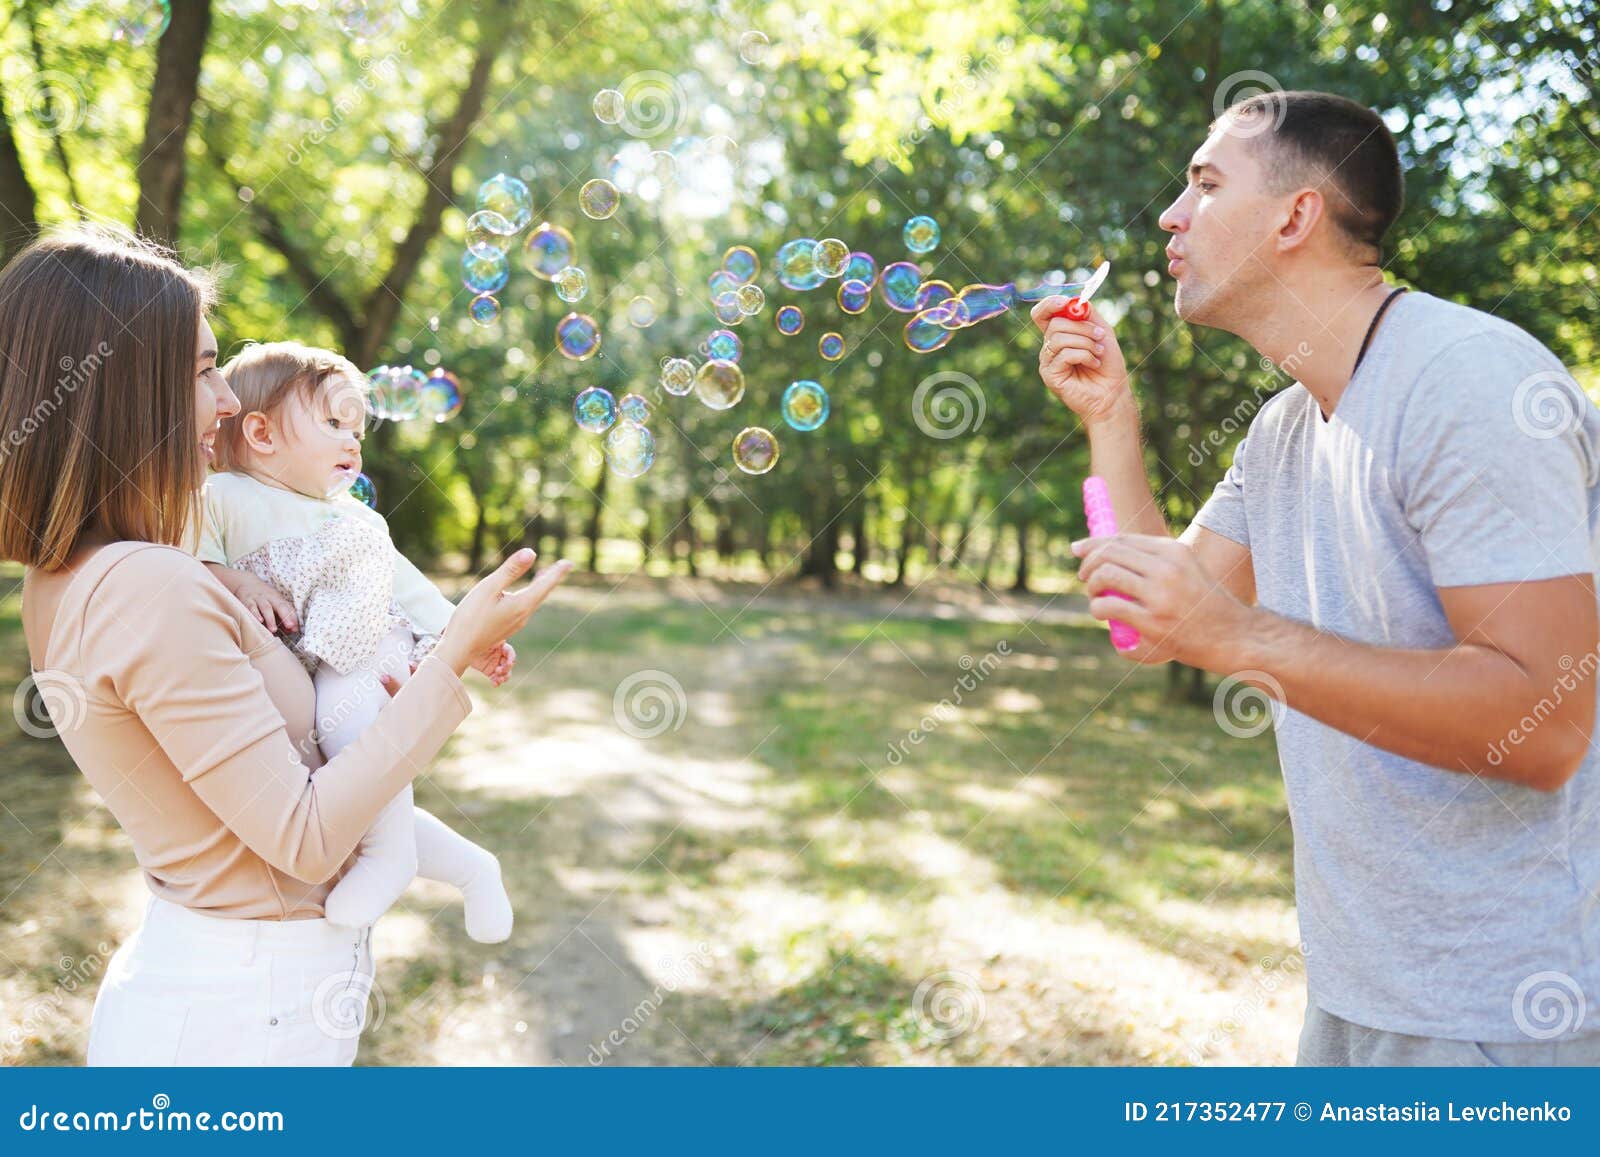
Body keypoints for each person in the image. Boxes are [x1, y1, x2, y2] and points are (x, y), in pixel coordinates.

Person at [1034, 90, 1600, 1065]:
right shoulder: (1282, 428)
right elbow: (1152, 622)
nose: (1171, 215)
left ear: (1295, 216)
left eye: (1204, 184)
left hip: (1505, 1009)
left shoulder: (1468, 382)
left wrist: (1242, 638)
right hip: (1355, 989)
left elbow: (1545, 725)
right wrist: (1109, 417)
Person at [0, 226, 571, 1065]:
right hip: (238, 1023)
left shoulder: (84, 573)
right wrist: (450, 660)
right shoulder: (150, 588)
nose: (227, 402)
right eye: (202, 372)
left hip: (237, 999)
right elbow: (304, 839)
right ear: (123, 390)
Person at [196, 341, 514, 943]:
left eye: (358, 430)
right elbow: (190, 565)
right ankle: (471, 868)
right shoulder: (222, 499)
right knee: (339, 789)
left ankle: (389, 862)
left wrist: (467, 638)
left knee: (347, 734)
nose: (353, 441)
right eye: (334, 423)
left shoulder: (358, 520)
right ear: (260, 434)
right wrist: (233, 578)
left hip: (371, 644)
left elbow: (413, 591)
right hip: (308, 668)